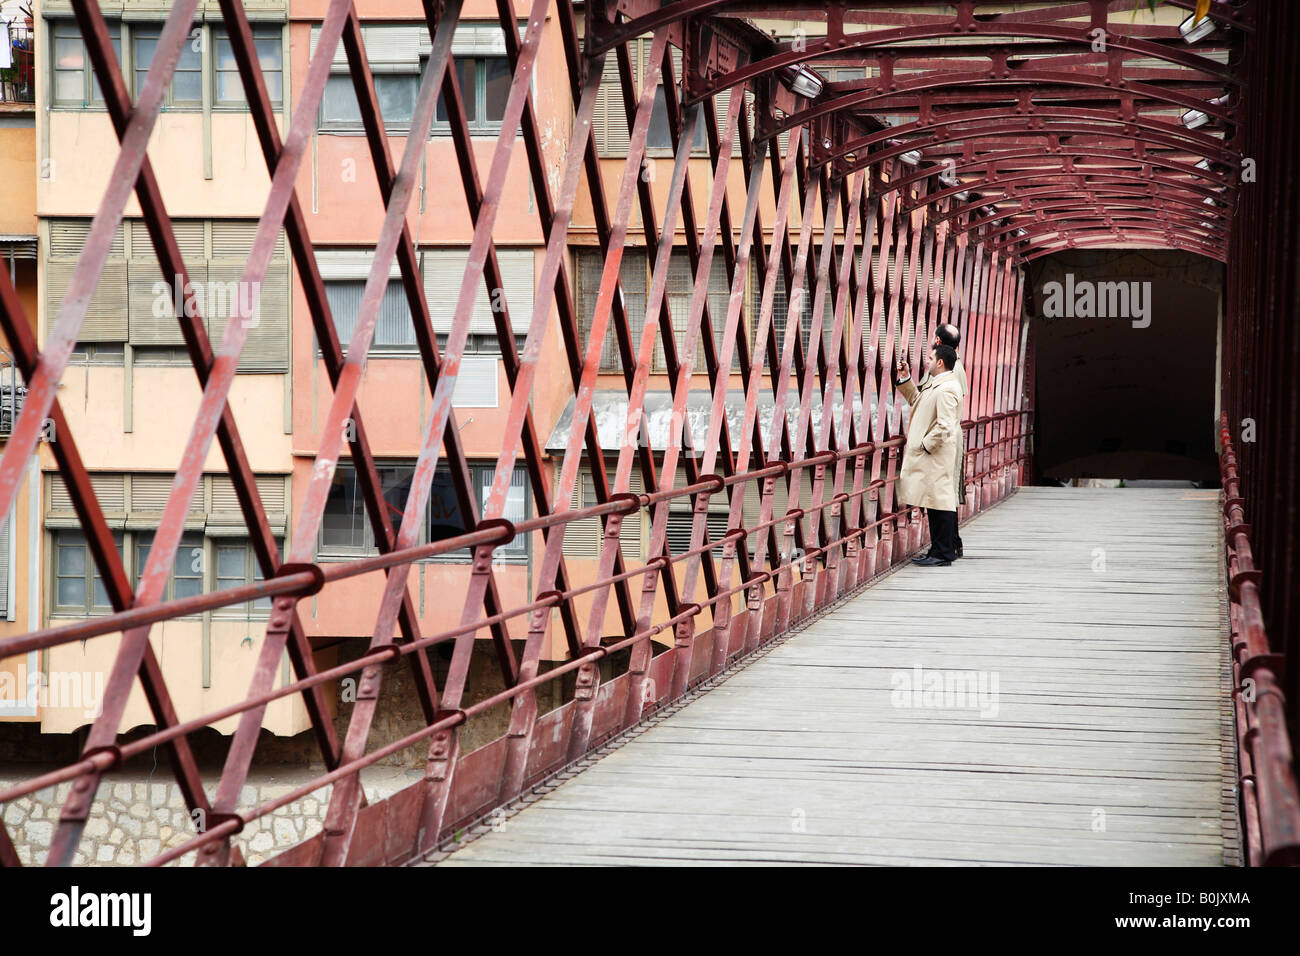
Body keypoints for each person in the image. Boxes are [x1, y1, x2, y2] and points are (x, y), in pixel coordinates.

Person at [894, 343, 963, 566]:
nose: (927, 361)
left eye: (930, 358)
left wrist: (926, 445)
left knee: (940, 502)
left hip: (935, 455)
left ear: (940, 362)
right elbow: (917, 402)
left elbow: (945, 425)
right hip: (933, 455)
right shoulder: (937, 385)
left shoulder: (947, 388)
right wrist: (906, 380)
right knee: (935, 502)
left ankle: (942, 553)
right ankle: (939, 550)